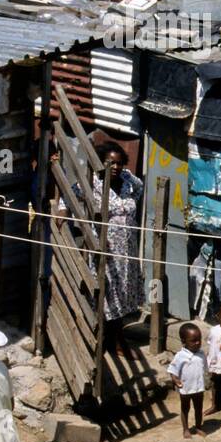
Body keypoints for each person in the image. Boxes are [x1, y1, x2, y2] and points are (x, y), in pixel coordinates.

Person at [91, 142, 144, 357]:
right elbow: (70, 196)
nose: (115, 167)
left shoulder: (127, 184)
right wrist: (63, 211)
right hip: (108, 250)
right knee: (109, 294)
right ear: (102, 162)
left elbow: (140, 186)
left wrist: (127, 173)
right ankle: (111, 339)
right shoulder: (92, 183)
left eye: (119, 163)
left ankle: (114, 338)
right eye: (111, 163)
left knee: (122, 295)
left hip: (128, 252)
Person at [168, 322, 206, 438]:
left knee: (199, 408)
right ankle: (186, 429)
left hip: (199, 387)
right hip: (185, 388)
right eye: (193, 340)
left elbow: (204, 367)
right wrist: (175, 380)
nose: (198, 342)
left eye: (199, 339)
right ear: (184, 342)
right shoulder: (180, 356)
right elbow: (172, 370)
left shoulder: (201, 353)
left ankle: (198, 427)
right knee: (185, 408)